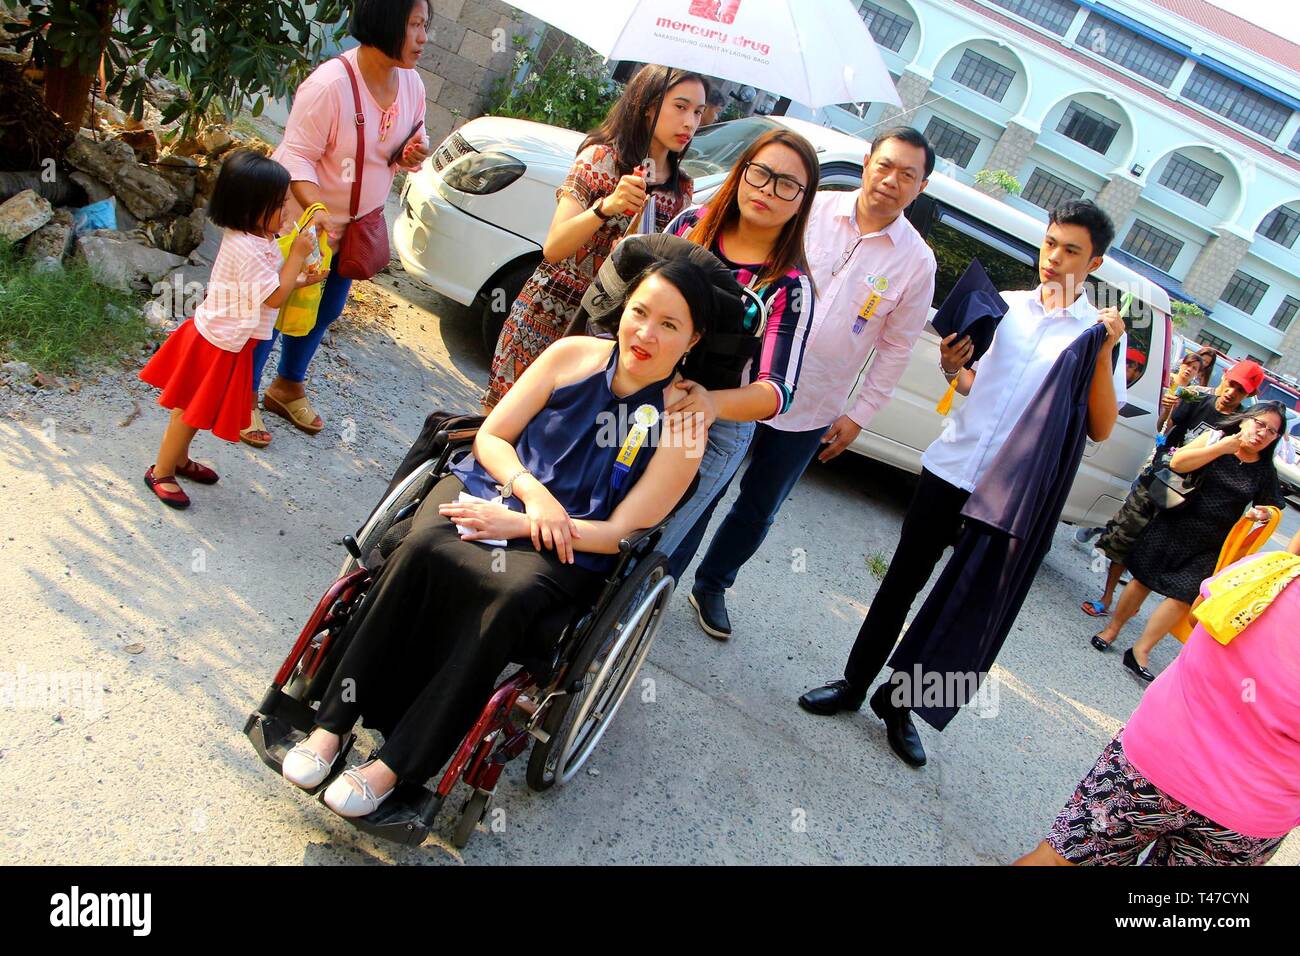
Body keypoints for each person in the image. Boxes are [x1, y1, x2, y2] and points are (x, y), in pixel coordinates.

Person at [278, 259, 716, 816]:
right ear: (623, 310)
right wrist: (529, 494)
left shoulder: (682, 426)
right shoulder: (571, 355)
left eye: (669, 325)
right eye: (639, 313)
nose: (646, 334)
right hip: (497, 485)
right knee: (420, 548)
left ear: (694, 338)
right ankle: (330, 727)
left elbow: (621, 534)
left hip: (572, 542)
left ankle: (396, 766)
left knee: (508, 596)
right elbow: (493, 436)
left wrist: (525, 524)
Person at [799, 199, 1127, 767]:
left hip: (1010, 494)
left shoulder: (1092, 337)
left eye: (1071, 251)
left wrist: (1105, 352)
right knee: (901, 584)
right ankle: (853, 685)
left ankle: (900, 709)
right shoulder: (1006, 308)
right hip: (951, 468)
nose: (1054, 258)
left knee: (958, 605)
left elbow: (1100, 425)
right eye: (1050, 244)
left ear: (1094, 263)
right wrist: (953, 366)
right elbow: (974, 383)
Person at [685, 127, 936, 639]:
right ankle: (659, 574)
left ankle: (712, 583)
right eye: (885, 165)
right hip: (741, 380)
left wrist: (859, 414)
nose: (891, 181)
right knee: (697, 486)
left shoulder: (917, 261)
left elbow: (895, 347)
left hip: (813, 404)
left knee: (759, 507)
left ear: (921, 187)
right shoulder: (810, 207)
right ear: (867, 162)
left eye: (907, 175)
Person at [1018, 527, 1300, 866]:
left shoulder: (1264, 572)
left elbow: (1198, 614)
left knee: (1056, 862)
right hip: (1254, 812)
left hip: (1153, 763)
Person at [242, 0, 432, 447]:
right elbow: (295, 155)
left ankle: (286, 387)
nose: (424, 37)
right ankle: (241, 395)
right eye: (415, 25)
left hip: (351, 228)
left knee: (324, 308)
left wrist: (412, 153)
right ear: (386, 22)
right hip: (297, 221)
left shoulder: (413, 84)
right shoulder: (330, 85)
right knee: (273, 308)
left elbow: (415, 135)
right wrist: (316, 212)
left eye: (426, 25)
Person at [651, 128, 820, 593]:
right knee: (592, 504)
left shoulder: (788, 286)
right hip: (641, 394)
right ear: (742, 172)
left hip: (710, 427)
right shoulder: (690, 227)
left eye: (787, 184)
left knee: (649, 543)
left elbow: (777, 391)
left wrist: (709, 404)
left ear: (802, 201)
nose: (767, 190)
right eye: (760, 173)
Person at [482, 65, 708, 409]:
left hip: (604, 332)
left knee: (557, 442)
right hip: (549, 312)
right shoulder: (601, 158)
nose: (690, 122)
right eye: (680, 106)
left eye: (698, 111)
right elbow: (555, 247)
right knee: (498, 424)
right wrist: (606, 207)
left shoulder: (681, 190)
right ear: (649, 105)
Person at [139, 151, 324, 509]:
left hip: (230, 339)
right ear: (251, 208)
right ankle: (160, 470)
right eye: (280, 205)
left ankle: (177, 459)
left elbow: (270, 285)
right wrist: (299, 256)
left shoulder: (260, 240)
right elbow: (272, 298)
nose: (287, 212)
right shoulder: (245, 248)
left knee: (196, 409)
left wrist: (300, 280)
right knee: (189, 409)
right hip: (217, 341)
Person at [1089, 402, 1286, 681]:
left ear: (1275, 439)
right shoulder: (1217, 438)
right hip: (1174, 521)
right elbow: (1178, 462)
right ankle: (1112, 629)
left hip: (1210, 543)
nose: (1262, 433)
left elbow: (1273, 505)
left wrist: (1264, 512)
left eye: (1271, 431)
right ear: (1244, 421)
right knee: (1143, 579)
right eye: (1259, 423)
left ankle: (1140, 651)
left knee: (1182, 597)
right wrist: (1220, 449)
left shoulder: (1264, 471)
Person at [1081, 359, 1263, 616]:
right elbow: (1165, 432)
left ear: (1250, 394)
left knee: (1157, 551)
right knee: (1125, 535)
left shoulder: (1244, 424)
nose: (1231, 392)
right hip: (1161, 477)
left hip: (1193, 496)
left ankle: (1128, 607)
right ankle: (1107, 596)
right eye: (1230, 384)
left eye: (1240, 390)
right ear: (1223, 377)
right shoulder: (1196, 398)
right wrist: (1167, 412)